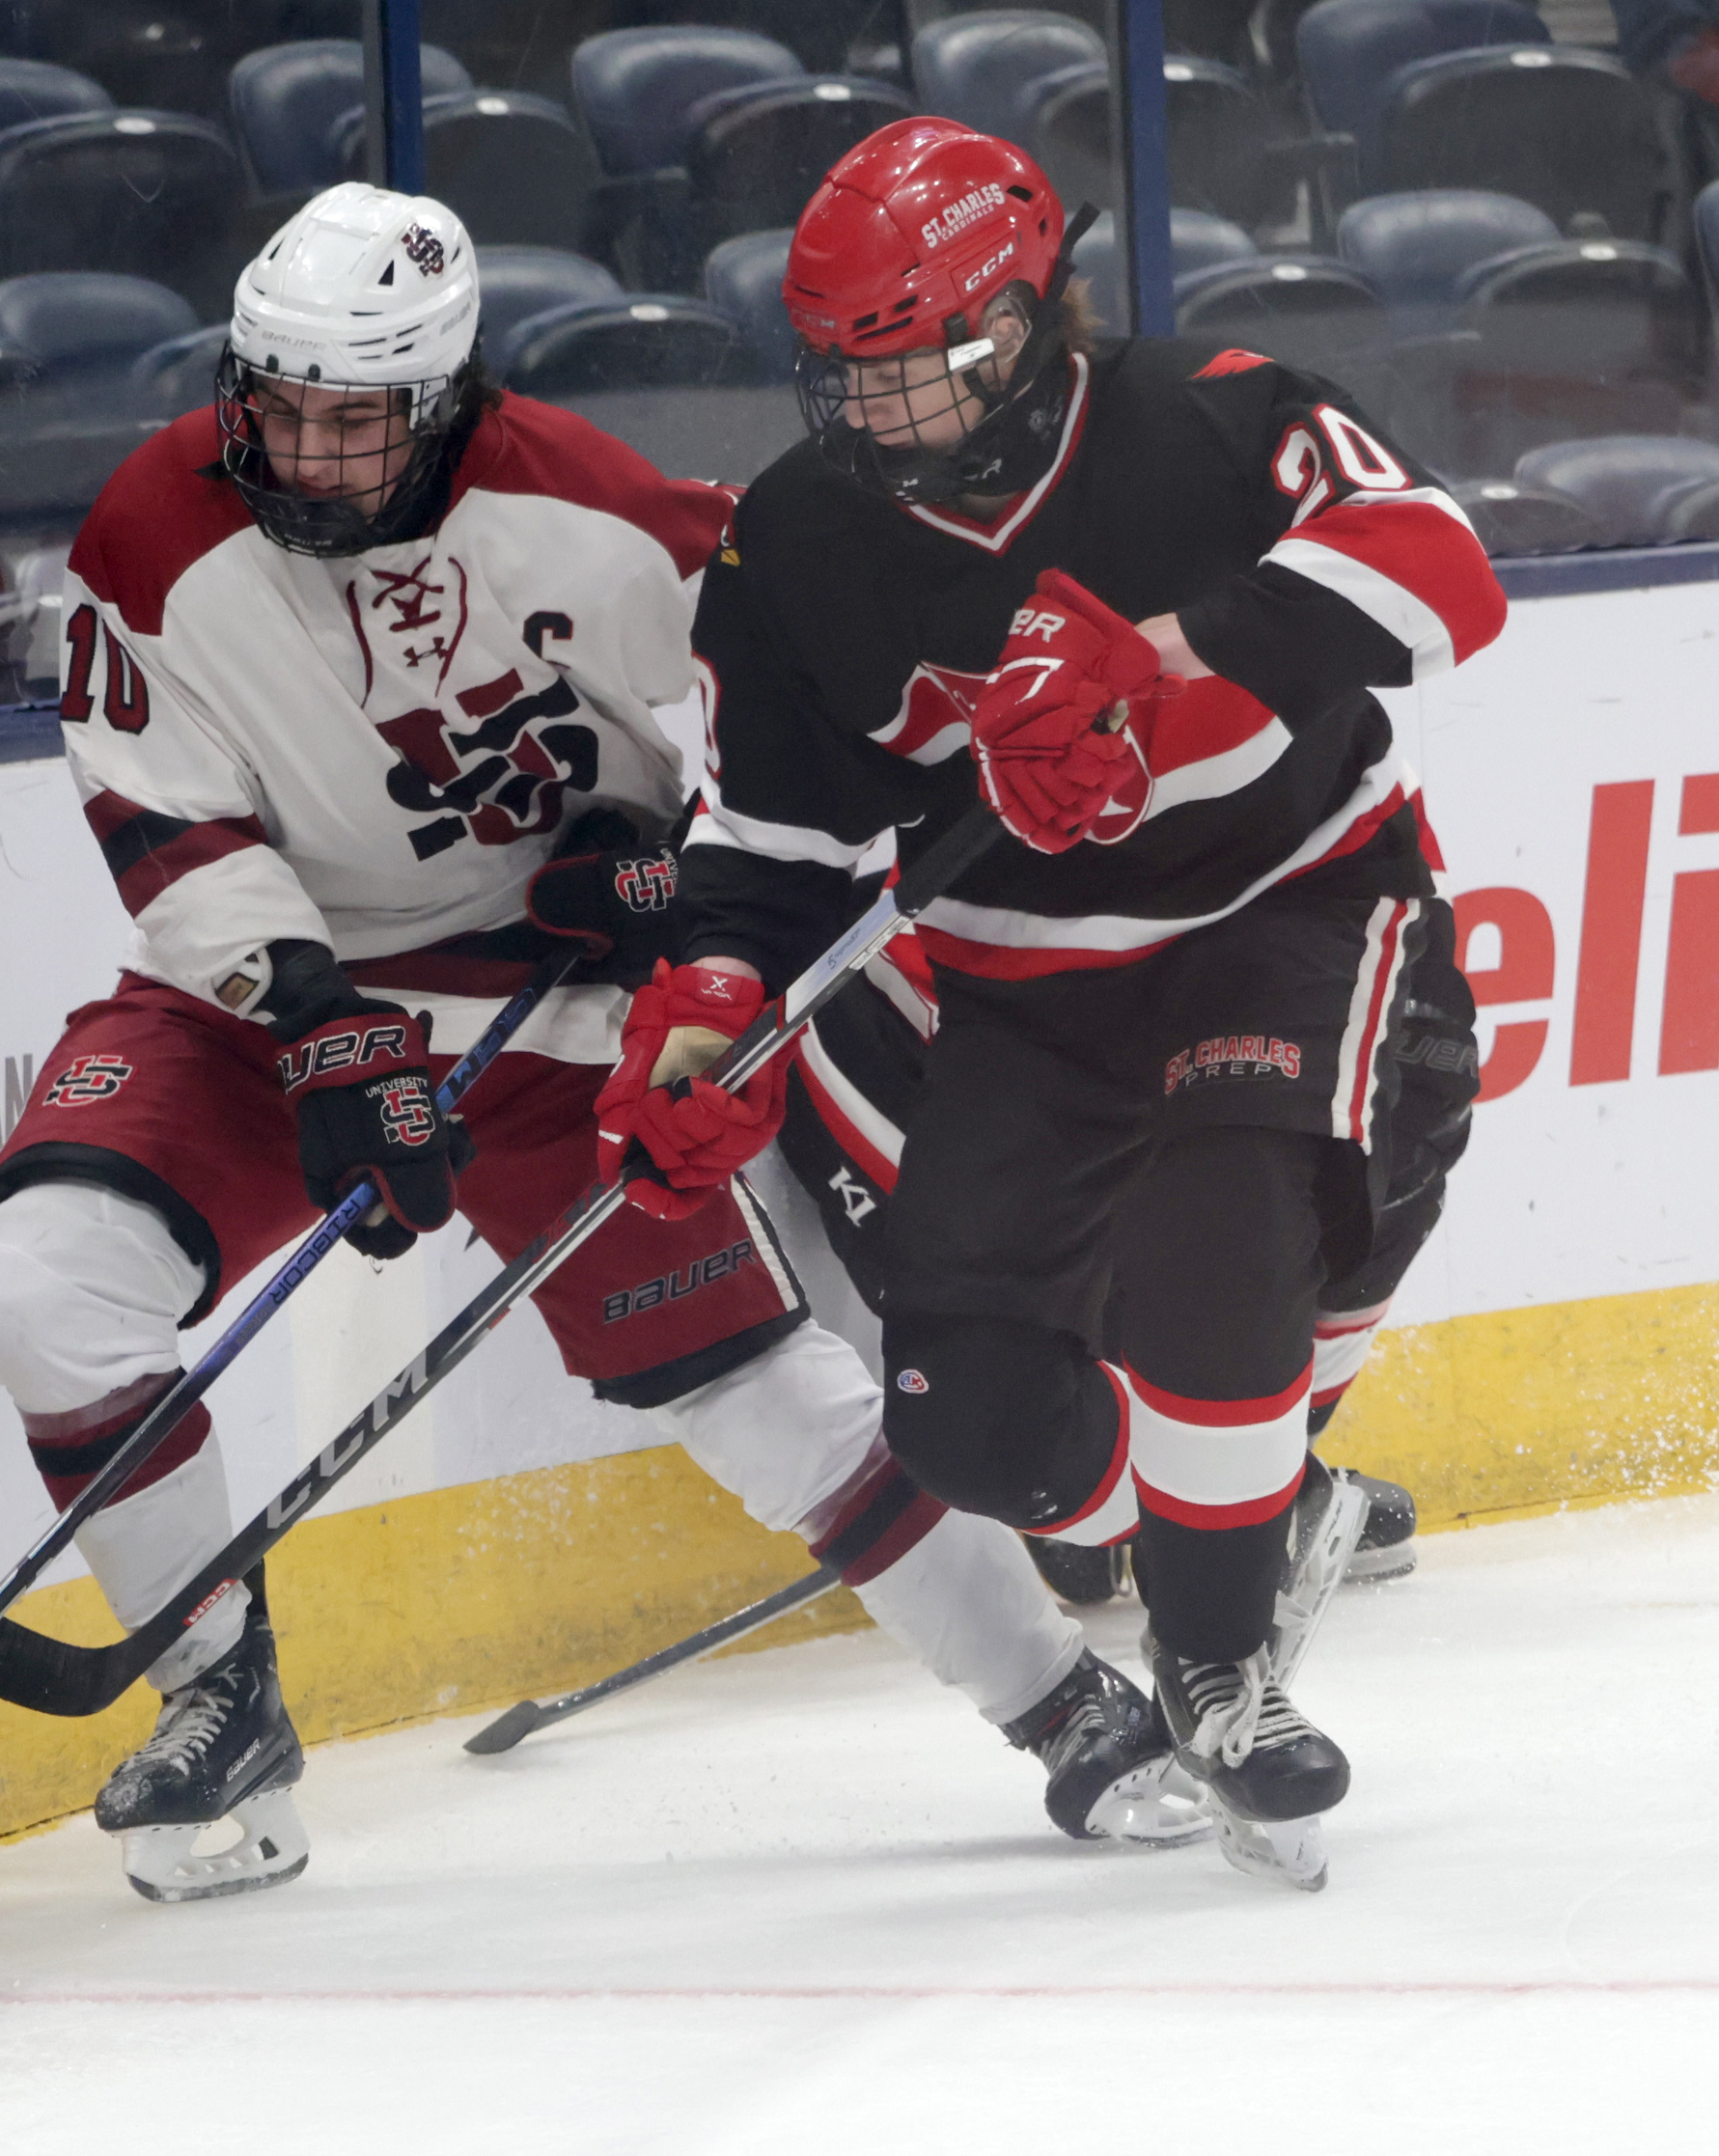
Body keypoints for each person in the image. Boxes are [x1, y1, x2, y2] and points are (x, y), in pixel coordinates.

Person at [0, 181, 1196, 1905]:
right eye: (280, 404)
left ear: (448, 396)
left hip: (550, 1008)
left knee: (759, 1399)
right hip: (268, 993)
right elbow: (161, 819)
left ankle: (1064, 1701)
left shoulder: (602, 517)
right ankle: (214, 1695)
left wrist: (666, 878)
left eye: (354, 415)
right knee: (47, 1289)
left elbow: (772, 733)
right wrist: (315, 1018)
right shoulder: (153, 531)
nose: (308, 449)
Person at [596, 121, 1506, 1885]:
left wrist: (1163, 652)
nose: (875, 421)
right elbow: (771, 845)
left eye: (918, 375)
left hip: (1282, 907)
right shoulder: (793, 540)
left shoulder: (1212, 415)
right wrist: (703, 1020)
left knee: (1211, 1215)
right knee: (978, 1428)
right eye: (844, 384)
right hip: (1022, 993)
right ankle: (1253, 1513)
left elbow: (1445, 569)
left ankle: (1220, 1654)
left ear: (1025, 326)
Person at [770, 899, 1481, 1602]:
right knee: (996, 1396)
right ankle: (1134, 1474)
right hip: (927, 1024)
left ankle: (1274, 1476)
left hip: (1181, 953)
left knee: (1416, 1085)